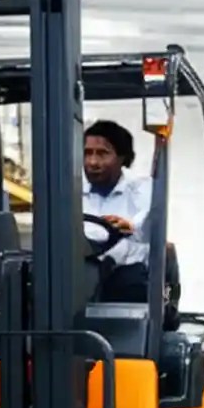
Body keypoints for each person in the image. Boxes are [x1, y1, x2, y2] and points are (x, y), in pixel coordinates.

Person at [82, 119, 152, 302]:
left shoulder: (141, 189)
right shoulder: (70, 192)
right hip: (79, 275)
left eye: (103, 154)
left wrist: (130, 226)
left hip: (125, 279)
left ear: (122, 157)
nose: (93, 162)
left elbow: (148, 228)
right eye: (87, 153)